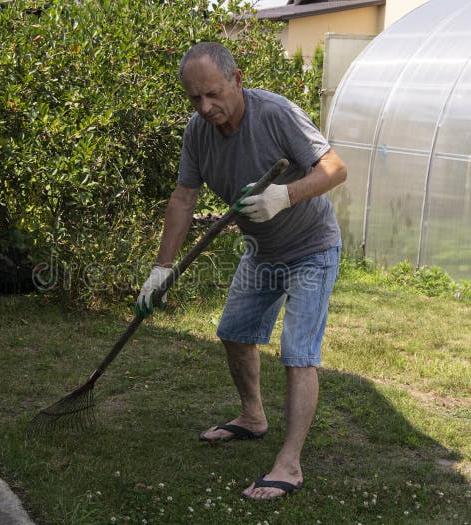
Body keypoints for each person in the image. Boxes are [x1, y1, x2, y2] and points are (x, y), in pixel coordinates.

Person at [135, 42, 347, 501]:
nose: (206, 107)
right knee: (234, 331)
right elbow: (183, 199)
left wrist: (284, 196)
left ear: (236, 79)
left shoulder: (276, 113)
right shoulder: (198, 133)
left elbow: (335, 169)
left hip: (311, 247)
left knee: (297, 353)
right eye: (195, 98)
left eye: (212, 94)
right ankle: (253, 417)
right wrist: (161, 269)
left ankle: (289, 464)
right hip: (262, 251)